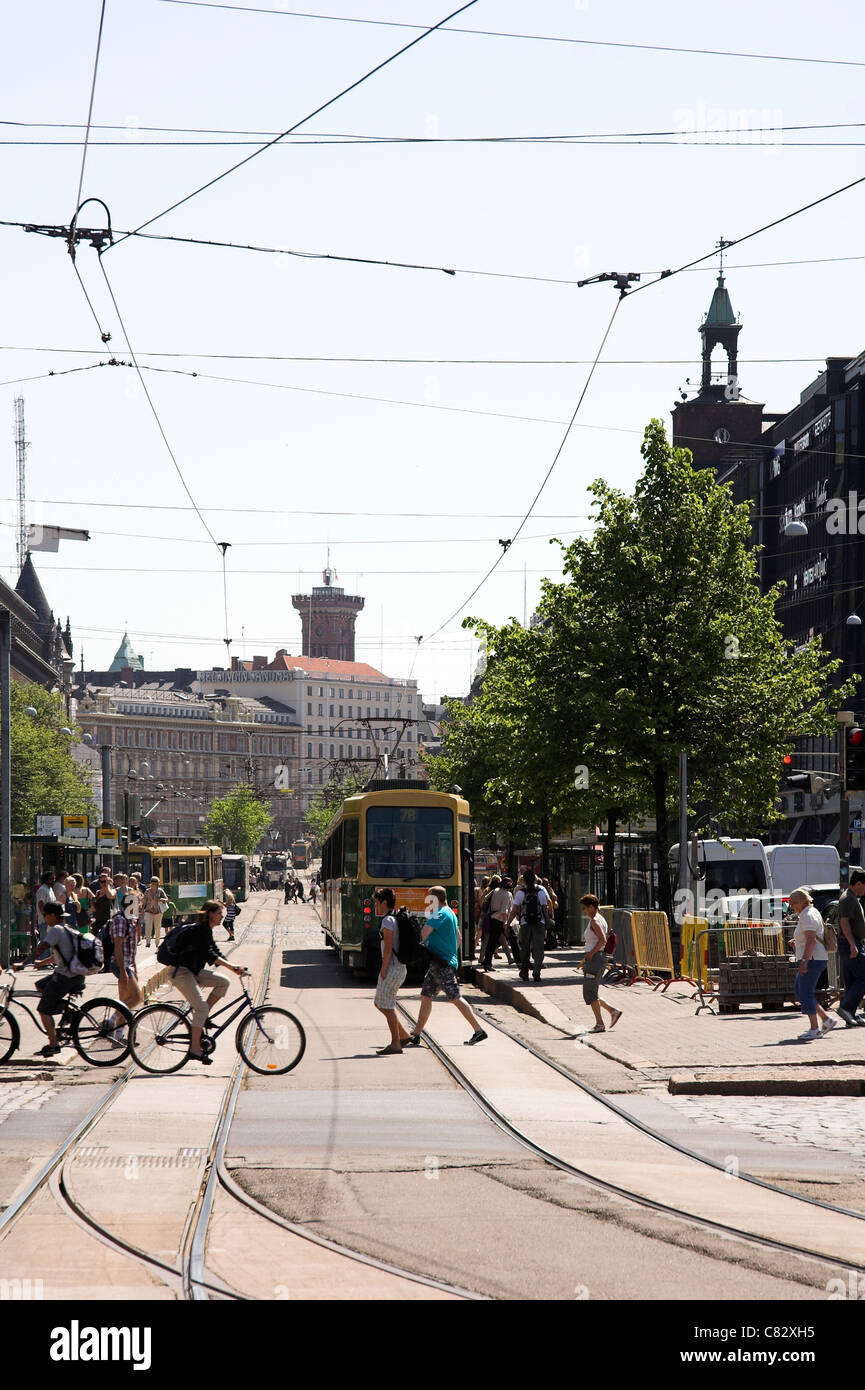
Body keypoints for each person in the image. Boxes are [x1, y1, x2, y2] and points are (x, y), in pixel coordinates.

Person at [406, 886, 487, 1047]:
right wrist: (449, 952)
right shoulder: (450, 912)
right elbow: (459, 938)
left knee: (455, 997)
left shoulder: (439, 914)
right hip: (439, 962)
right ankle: (416, 1033)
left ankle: (479, 1030)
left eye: (429, 898)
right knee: (426, 996)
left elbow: (423, 934)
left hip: (442, 964)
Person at [168, 901, 246, 1064]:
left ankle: (202, 1017)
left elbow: (214, 950)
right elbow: (210, 955)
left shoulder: (206, 930)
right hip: (181, 972)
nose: (222, 916)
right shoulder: (199, 930)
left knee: (223, 982)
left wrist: (233, 965)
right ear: (210, 914)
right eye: (219, 913)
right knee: (201, 1007)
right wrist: (232, 967)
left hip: (192, 971)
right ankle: (194, 1049)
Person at [33, 900, 85, 1056]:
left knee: (43, 1009)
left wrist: (23, 962)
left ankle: (53, 1044)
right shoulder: (68, 929)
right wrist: (42, 962)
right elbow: (60, 955)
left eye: (45, 915)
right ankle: (67, 1010)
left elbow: (42, 947)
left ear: (52, 916)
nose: (44, 918)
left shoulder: (55, 929)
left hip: (65, 977)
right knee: (40, 985)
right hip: (76, 975)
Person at [789, 887, 837, 1040]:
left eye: (792, 904)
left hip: (812, 960)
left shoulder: (807, 915)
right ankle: (826, 1020)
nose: (791, 907)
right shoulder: (811, 911)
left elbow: (811, 940)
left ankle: (815, 1028)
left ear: (799, 903)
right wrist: (798, 943)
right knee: (800, 990)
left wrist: (804, 961)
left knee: (805, 993)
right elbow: (811, 936)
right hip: (815, 958)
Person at [372, 887, 411, 1054]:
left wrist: (383, 969)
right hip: (399, 968)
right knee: (381, 1003)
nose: (376, 906)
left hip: (392, 968)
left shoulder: (387, 921)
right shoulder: (394, 918)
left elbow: (387, 948)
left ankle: (396, 1043)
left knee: (386, 1006)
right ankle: (403, 1035)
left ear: (384, 902)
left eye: (377, 902)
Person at [579, 894, 622, 1033]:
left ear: (592, 907)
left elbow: (603, 940)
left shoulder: (595, 921)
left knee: (589, 992)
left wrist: (590, 955)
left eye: (585, 908)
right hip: (598, 958)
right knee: (593, 991)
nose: (584, 911)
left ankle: (599, 1024)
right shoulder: (600, 918)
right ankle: (613, 1011)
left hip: (596, 958)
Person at [508, 868, 552, 982]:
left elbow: (514, 910)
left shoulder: (520, 893)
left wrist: (507, 923)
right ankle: (536, 972)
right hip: (539, 923)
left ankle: (524, 972)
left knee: (524, 948)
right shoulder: (541, 892)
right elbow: (544, 909)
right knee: (539, 949)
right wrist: (547, 922)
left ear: (525, 881)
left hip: (525, 923)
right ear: (534, 880)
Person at [836, 869, 865, 1026]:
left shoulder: (852, 897)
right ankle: (846, 1008)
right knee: (863, 977)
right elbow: (844, 922)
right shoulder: (848, 898)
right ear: (859, 883)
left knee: (853, 979)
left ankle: (850, 1013)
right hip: (850, 943)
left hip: (853, 942)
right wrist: (853, 944)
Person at [110, 891, 143, 1016]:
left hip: (128, 964)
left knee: (124, 999)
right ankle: (112, 1020)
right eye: (138, 903)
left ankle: (117, 1032)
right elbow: (117, 947)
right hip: (120, 964)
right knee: (136, 997)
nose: (140, 906)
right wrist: (123, 971)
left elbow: (131, 948)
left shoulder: (132, 920)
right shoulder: (120, 920)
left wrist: (134, 967)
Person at [481, 875, 514, 971]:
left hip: (491, 918)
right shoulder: (507, 895)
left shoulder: (495, 891)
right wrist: (505, 924)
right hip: (499, 920)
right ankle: (487, 963)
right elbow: (504, 911)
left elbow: (486, 898)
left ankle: (487, 962)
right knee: (494, 942)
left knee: (491, 942)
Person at [141, 876, 170, 948]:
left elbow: (166, 899)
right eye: (152, 882)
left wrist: (161, 899)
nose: (153, 883)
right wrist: (141, 908)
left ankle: (157, 942)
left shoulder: (160, 891)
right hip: (148, 911)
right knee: (148, 926)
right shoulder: (147, 891)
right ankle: (148, 942)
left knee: (157, 927)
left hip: (158, 911)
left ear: (157, 883)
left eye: (155, 882)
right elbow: (144, 901)